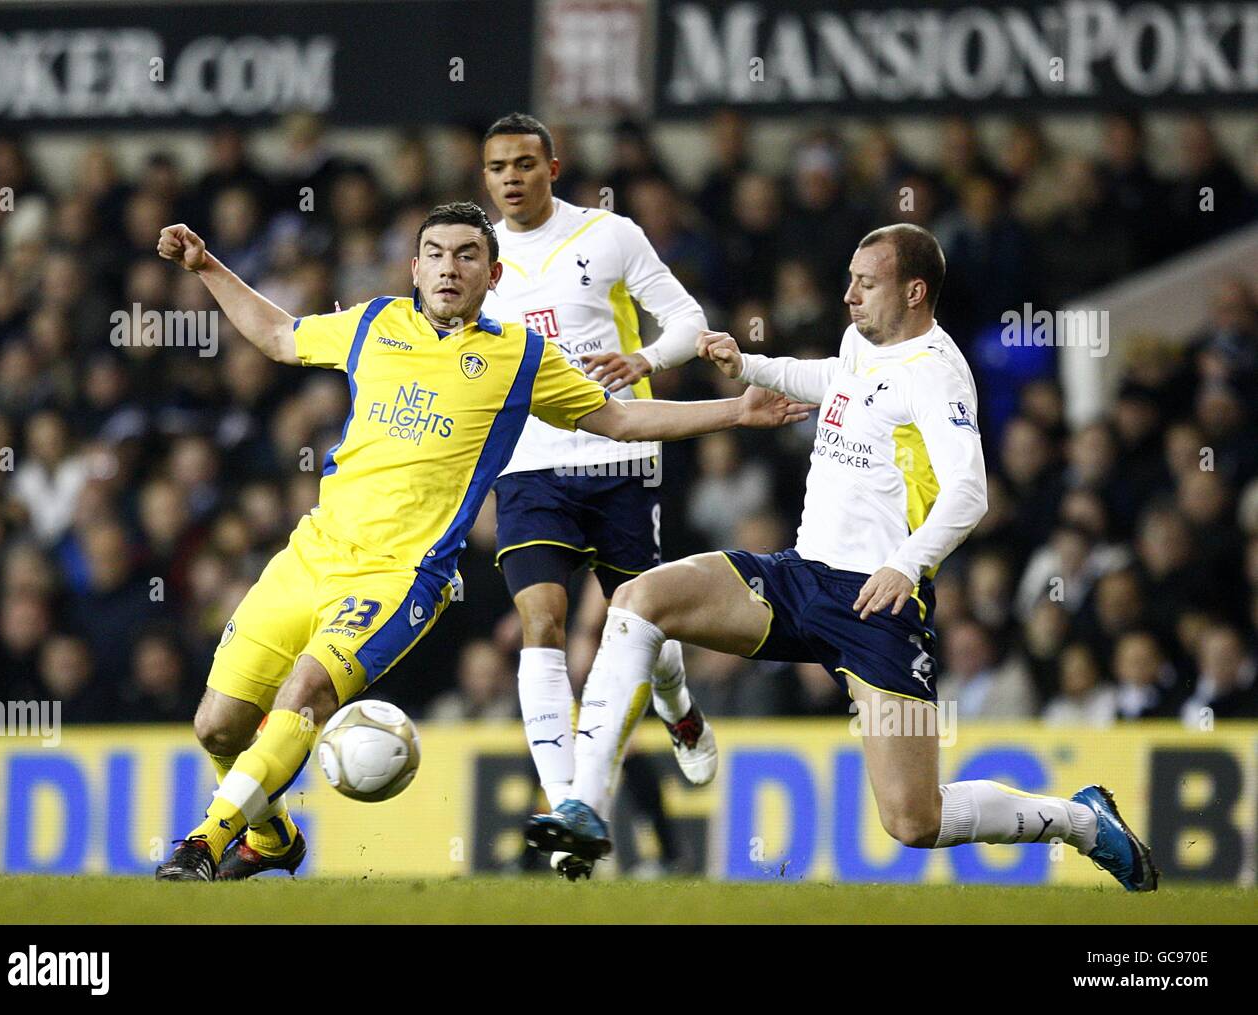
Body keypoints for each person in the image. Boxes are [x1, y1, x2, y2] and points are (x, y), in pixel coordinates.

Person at [151, 201, 809, 881]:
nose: (448, 266)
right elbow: (282, 336)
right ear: (414, 268)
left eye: (467, 255)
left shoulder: (519, 355)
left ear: (493, 274)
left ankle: (202, 841)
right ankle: (274, 836)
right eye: (435, 253)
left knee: (309, 690)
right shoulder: (374, 323)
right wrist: (206, 266)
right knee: (217, 727)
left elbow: (617, 418)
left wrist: (735, 408)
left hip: (400, 576)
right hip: (310, 555)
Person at [527, 223, 1158, 893]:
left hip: (876, 608)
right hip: (799, 577)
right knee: (638, 598)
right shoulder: (864, 342)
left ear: (915, 292)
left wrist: (907, 565)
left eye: (867, 281)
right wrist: (752, 367)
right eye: (851, 277)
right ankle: (589, 803)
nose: (849, 293)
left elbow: (970, 491)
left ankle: (1080, 822)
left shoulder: (938, 374)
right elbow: (837, 378)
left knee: (914, 819)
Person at [480, 113, 716, 880]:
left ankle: (679, 709)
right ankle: (569, 807)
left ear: (554, 166)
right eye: (495, 168)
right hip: (529, 466)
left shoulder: (610, 235)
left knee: (639, 621)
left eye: (523, 162)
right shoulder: (475, 257)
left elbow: (689, 322)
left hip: (620, 455)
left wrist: (644, 355)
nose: (510, 177)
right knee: (540, 622)